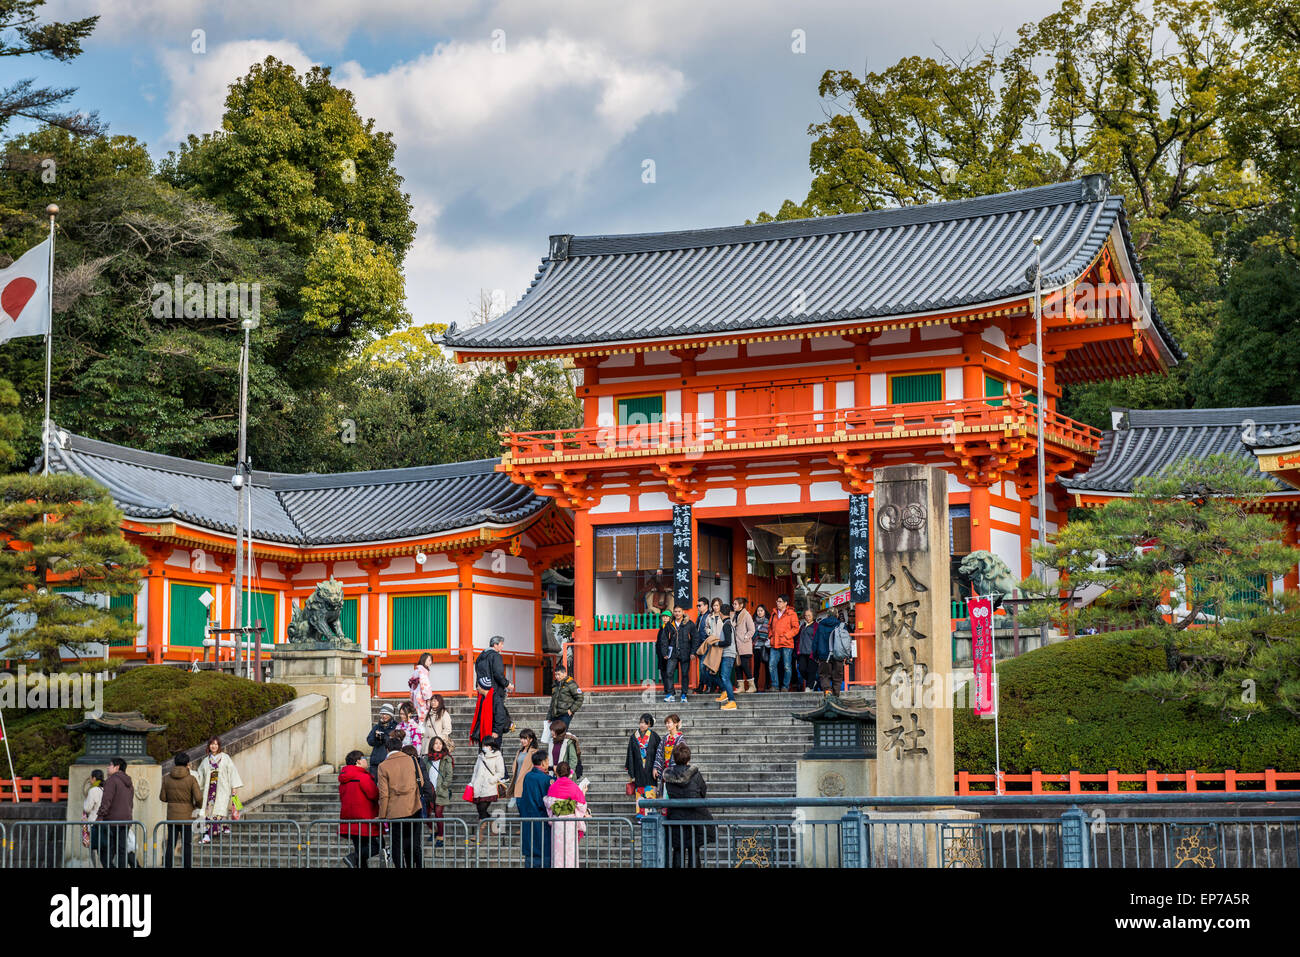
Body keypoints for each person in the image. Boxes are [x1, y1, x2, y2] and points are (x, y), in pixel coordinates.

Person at [377, 729, 424, 867]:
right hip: (414, 806)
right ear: (400, 748)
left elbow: (384, 794)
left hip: (395, 810)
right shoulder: (412, 760)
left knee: (397, 844)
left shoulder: (383, 766)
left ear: (387, 749)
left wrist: (382, 815)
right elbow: (421, 782)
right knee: (414, 842)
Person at [663, 745, 713, 868]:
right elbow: (703, 791)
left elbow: (666, 796)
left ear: (675, 758)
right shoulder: (695, 774)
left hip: (675, 818)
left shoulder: (668, 776)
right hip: (694, 818)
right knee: (694, 851)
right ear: (688, 759)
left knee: (678, 851)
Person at [338, 750, 380, 868]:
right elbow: (374, 794)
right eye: (364, 758)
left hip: (350, 819)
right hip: (365, 819)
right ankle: (353, 857)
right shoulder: (362, 776)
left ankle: (355, 857)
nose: (366, 760)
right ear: (358, 762)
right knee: (377, 846)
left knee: (360, 849)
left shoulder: (344, 778)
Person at [160, 751, 202, 869]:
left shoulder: (166, 778)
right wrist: (197, 806)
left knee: (170, 844)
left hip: (172, 817)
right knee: (187, 844)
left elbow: (162, 797)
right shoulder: (191, 779)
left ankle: (168, 866)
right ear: (187, 764)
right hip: (187, 817)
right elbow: (198, 797)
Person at [197, 737, 243, 843]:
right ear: (209, 746)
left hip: (222, 789)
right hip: (210, 791)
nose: (214, 746)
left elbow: (232, 772)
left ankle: (208, 836)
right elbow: (200, 776)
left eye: (216, 744)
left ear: (219, 746)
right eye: (212, 744)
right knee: (209, 813)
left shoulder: (225, 758)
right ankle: (221, 828)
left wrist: (234, 788)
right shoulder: (205, 761)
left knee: (220, 810)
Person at [544, 762, 589, 868]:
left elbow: (548, 804)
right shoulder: (574, 787)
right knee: (571, 852)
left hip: (558, 823)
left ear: (557, 773)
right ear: (570, 773)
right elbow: (582, 807)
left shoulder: (553, 787)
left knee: (558, 852)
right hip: (570, 823)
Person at [471, 635, 513, 745]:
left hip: (483, 691)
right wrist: (507, 684)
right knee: (498, 713)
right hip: (494, 691)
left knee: (484, 716)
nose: (502, 646)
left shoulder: (480, 656)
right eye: (501, 644)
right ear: (495, 645)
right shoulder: (496, 656)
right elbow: (498, 674)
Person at [94, 757, 133, 868]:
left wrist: (100, 816)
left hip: (112, 820)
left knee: (106, 850)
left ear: (117, 767)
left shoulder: (112, 780)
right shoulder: (129, 782)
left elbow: (106, 800)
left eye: (110, 765)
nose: (107, 767)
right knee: (121, 849)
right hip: (126, 820)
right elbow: (131, 803)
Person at [469, 735, 507, 840]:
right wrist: (472, 783)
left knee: (482, 809)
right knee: (480, 809)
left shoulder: (498, 756)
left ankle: (479, 834)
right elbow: (475, 771)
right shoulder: (480, 756)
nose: (485, 747)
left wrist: (492, 780)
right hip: (478, 786)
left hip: (489, 787)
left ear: (491, 746)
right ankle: (492, 823)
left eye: (487, 745)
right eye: (484, 745)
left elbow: (501, 772)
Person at [518, 751, 552, 868]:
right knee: (544, 854)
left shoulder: (528, 776)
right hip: (542, 820)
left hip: (529, 819)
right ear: (543, 763)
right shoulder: (546, 779)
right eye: (547, 761)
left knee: (531, 856)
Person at [624, 713, 662, 817]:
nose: (642, 725)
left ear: (649, 724)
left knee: (650, 792)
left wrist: (657, 767)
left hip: (650, 769)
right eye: (641, 722)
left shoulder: (654, 736)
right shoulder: (633, 737)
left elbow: (659, 753)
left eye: (645, 723)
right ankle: (640, 815)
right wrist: (631, 770)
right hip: (638, 769)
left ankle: (651, 815)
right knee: (640, 793)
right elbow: (630, 754)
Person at [661, 602, 696, 702]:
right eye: (675, 611)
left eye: (679, 611)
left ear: (683, 612)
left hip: (686, 652)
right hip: (673, 652)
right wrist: (664, 653)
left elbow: (695, 638)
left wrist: (693, 652)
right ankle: (670, 693)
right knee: (669, 672)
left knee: (685, 674)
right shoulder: (669, 624)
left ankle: (684, 694)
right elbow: (664, 640)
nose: (677, 613)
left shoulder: (689, 623)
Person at [709, 599, 738, 711]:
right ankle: (726, 693)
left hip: (728, 654)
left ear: (721, 613)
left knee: (725, 677)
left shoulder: (726, 625)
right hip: (727, 654)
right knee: (720, 675)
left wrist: (716, 643)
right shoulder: (728, 624)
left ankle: (732, 701)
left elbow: (728, 642)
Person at [769, 594, 800, 691]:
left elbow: (796, 628)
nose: (777, 603)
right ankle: (775, 685)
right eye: (777, 601)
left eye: (780, 601)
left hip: (787, 643)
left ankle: (785, 686)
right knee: (771, 665)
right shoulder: (774, 613)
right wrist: (771, 636)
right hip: (775, 643)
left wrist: (786, 636)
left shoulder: (792, 614)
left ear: (785, 603)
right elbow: (769, 627)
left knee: (787, 666)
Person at [426, 737, 453, 847]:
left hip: (440, 791)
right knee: (425, 815)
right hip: (429, 791)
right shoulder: (427, 759)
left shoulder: (446, 758)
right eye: (436, 743)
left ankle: (440, 836)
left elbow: (449, 775)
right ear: (432, 745)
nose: (438, 745)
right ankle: (433, 830)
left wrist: (443, 786)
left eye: (440, 743)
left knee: (438, 814)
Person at [546, 663, 584, 734]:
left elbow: (580, 698)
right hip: (555, 715)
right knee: (554, 734)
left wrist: (572, 710)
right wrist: (549, 716)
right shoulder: (555, 685)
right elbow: (553, 702)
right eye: (555, 674)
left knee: (562, 734)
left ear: (565, 673)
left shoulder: (571, 684)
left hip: (565, 714)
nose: (557, 676)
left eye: (559, 674)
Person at [652, 713, 686, 787]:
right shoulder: (665, 738)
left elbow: (683, 757)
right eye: (666, 723)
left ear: (675, 724)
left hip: (676, 770)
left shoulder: (680, 739)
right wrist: (656, 767)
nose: (667, 725)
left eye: (669, 723)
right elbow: (659, 754)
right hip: (665, 770)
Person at [510, 729, 539, 809]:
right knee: (519, 808)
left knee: (526, 809)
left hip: (527, 783)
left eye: (525, 738)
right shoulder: (519, 751)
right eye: (521, 738)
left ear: (531, 739)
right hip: (517, 781)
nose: (523, 741)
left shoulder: (535, 752)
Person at [366, 704, 397, 781]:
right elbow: (369, 741)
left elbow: (395, 742)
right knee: (374, 786)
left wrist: (384, 737)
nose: (384, 716)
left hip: (389, 761)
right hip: (376, 761)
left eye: (386, 714)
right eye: (382, 714)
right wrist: (377, 738)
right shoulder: (377, 727)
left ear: (391, 715)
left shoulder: (396, 727)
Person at [732, 597, 755, 693]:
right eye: (733, 604)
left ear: (741, 605)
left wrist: (745, 638)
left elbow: (752, 630)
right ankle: (741, 687)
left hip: (744, 645)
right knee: (738, 666)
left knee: (745, 665)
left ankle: (752, 686)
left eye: (735, 604)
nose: (734, 605)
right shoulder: (734, 615)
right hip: (736, 646)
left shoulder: (746, 615)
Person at [409, 651, 434, 736]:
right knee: (423, 714)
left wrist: (412, 696)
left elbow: (412, 685)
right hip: (422, 696)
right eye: (429, 660)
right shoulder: (422, 671)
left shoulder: (417, 670)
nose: (430, 662)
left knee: (420, 713)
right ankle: (422, 731)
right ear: (424, 660)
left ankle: (420, 730)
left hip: (416, 694)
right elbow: (424, 685)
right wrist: (428, 697)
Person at [81, 769, 104, 855]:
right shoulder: (104, 789)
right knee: (102, 850)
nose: (90, 780)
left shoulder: (93, 790)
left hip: (93, 823)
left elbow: (87, 808)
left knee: (93, 849)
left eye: (91, 778)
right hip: (104, 822)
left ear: (94, 778)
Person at [797, 607, 818, 693]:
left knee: (811, 671)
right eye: (806, 616)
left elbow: (817, 640)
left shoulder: (816, 626)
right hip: (802, 652)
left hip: (812, 652)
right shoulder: (802, 626)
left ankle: (809, 687)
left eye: (809, 616)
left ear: (813, 616)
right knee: (801, 669)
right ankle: (812, 682)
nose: (807, 617)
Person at [693, 597, 711, 693]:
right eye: (697, 606)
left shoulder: (709, 616)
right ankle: (704, 686)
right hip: (699, 645)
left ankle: (706, 685)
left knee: (703, 667)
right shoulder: (700, 616)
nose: (698, 607)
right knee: (703, 667)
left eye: (699, 605)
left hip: (706, 645)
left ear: (706, 606)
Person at [752, 603, 771, 690]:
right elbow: (752, 635)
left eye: (761, 611)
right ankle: (755, 686)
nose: (759, 612)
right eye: (758, 611)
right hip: (756, 647)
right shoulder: (753, 622)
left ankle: (767, 685)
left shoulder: (768, 622)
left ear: (764, 612)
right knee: (756, 668)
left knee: (767, 667)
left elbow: (769, 634)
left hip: (765, 647)